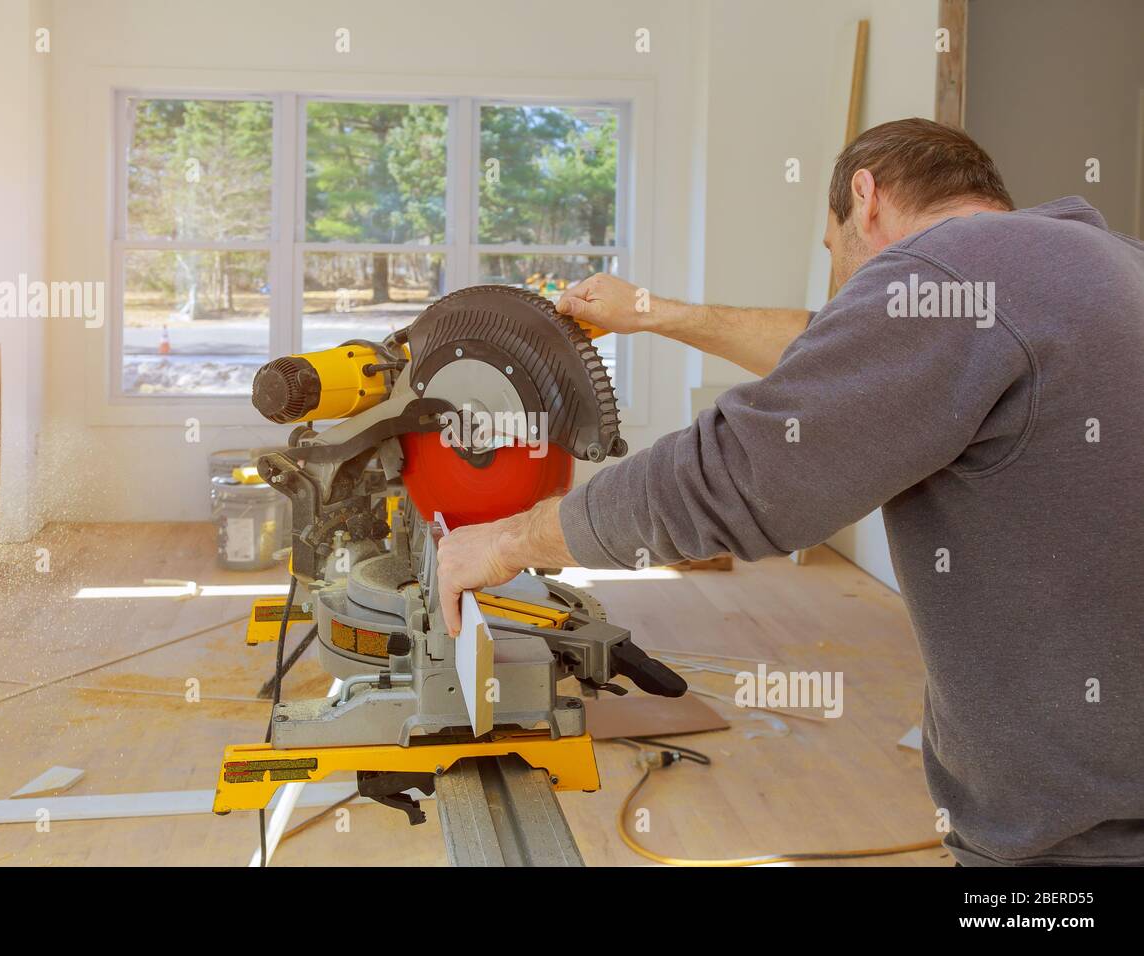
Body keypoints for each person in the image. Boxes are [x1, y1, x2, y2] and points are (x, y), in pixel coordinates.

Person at [435, 117, 1144, 866]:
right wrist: (655, 314)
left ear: (865, 197)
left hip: (1079, 844)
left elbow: (740, 473)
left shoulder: (951, 271)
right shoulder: (1091, 265)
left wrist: (512, 539)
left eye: (833, 252)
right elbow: (844, 352)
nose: (842, 277)